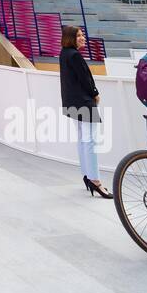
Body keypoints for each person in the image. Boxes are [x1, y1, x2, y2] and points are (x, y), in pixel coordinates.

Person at [59, 25, 112, 199]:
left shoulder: (64, 53)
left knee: (83, 139)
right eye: (79, 35)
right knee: (90, 141)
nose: (83, 38)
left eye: (82, 35)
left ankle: (87, 175)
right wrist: (95, 93)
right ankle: (95, 181)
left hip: (72, 101)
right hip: (83, 101)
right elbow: (85, 79)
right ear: (70, 38)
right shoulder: (74, 55)